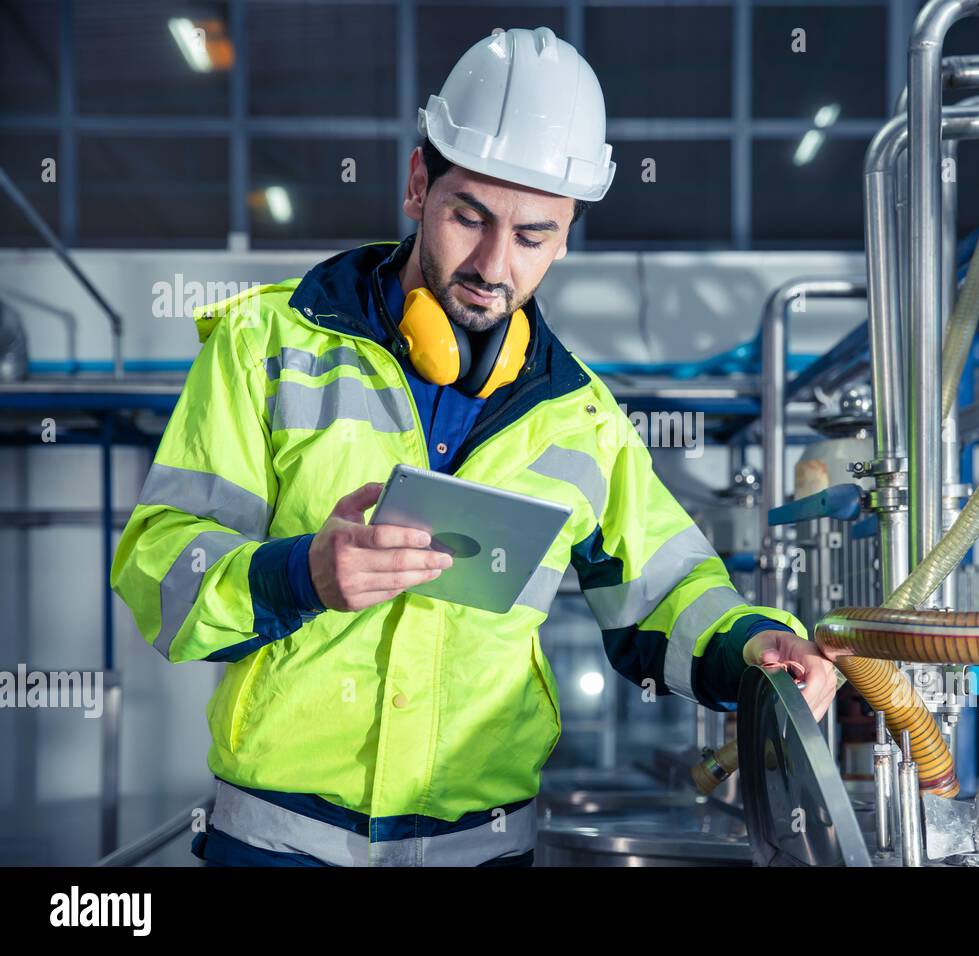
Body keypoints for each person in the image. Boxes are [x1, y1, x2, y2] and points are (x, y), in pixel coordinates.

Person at [111, 26, 835, 867]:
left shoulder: (580, 417)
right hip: (280, 849)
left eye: (534, 235)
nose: (494, 264)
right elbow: (160, 574)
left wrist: (754, 644)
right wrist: (297, 574)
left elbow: (668, 594)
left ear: (565, 237)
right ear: (419, 185)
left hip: (483, 851)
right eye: (470, 216)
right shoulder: (265, 347)